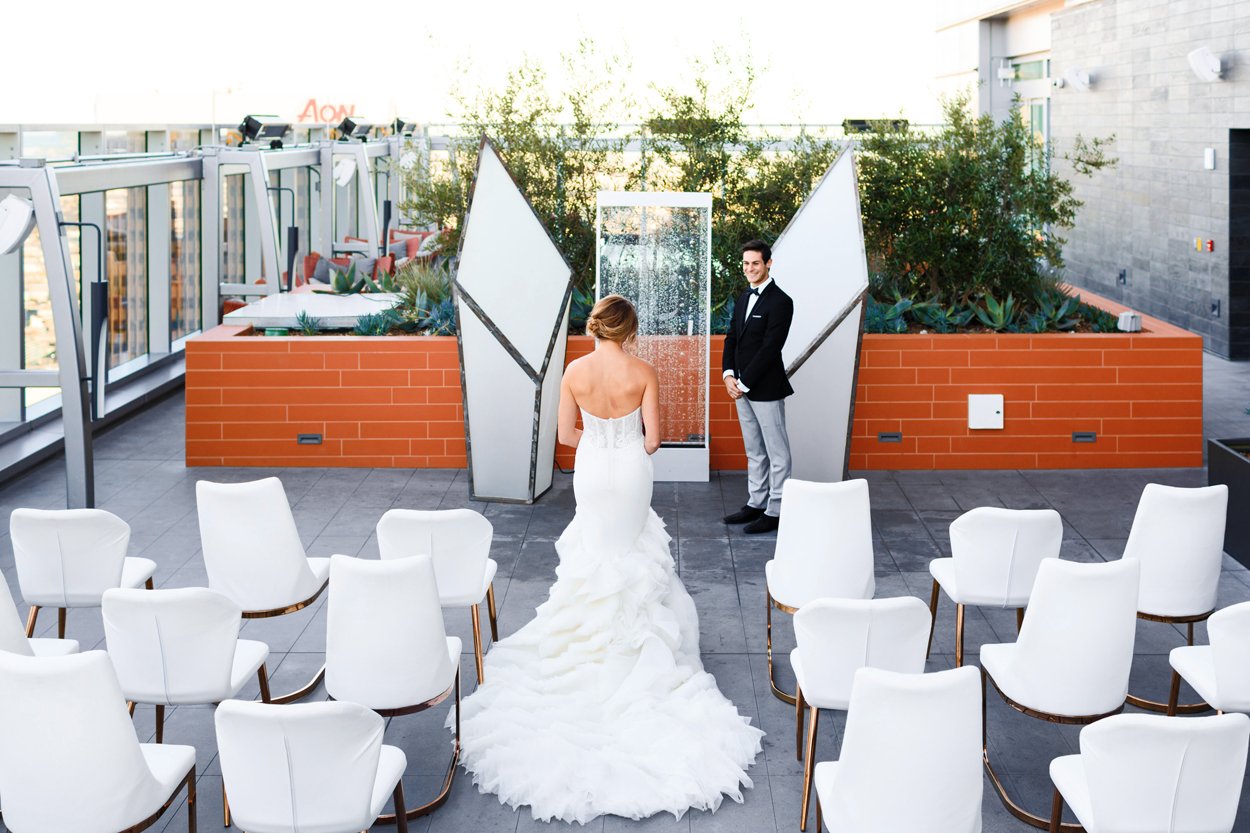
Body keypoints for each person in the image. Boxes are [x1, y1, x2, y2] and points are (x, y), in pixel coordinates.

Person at [454, 295, 764, 824]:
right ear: (630, 331)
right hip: (632, 475)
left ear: (597, 328)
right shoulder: (642, 370)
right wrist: (624, 441)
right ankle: (635, 645)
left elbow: (565, 436)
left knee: (593, 556)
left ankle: (587, 643)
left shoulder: (574, 370)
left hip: (593, 471)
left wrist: (598, 441)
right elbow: (654, 442)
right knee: (632, 553)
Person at [722, 239, 794, 534]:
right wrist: (728, 375)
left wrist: (744, 382)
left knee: (777, 453)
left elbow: (770, 348)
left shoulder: (781, 301)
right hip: (739, 386)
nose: (750, 268)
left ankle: (776, 511)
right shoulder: (743, 297)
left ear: (768, 264)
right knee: (754, 450)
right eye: (746, 264)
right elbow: (731, 338)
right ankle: (755, 503)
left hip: (764, 387)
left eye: (755, 263)